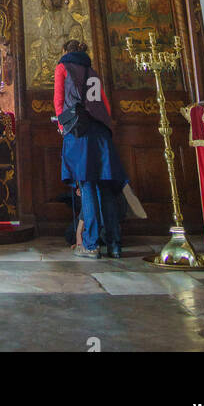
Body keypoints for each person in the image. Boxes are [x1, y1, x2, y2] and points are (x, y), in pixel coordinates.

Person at [54, 40, 126, 259]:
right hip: (101, 132)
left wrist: (61, 126)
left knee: (86, 184)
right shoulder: (92, 70)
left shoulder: (62, 67)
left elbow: (59, 102)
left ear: (65, 51)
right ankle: (114, 245)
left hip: (80, 132)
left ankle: (91, 244)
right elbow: (104, 102)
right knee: (106, 187)